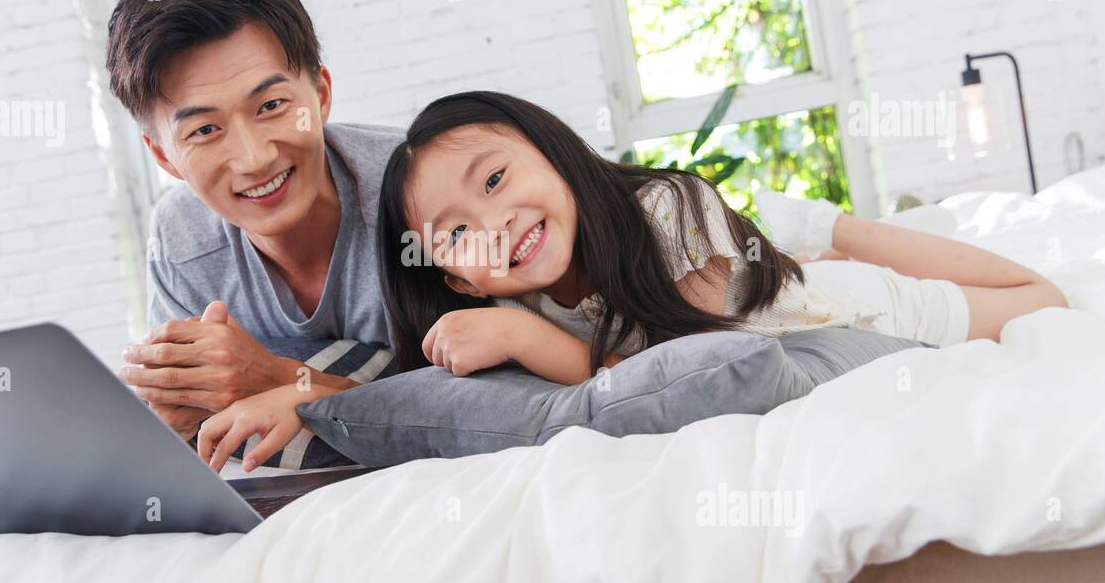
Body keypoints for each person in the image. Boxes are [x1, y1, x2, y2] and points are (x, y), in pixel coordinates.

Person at [371, 91, 1068, 384]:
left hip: (849, 310)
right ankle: (812, 245)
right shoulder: (503, 309)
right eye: (456, 233)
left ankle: (832, 226)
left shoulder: (665, 207)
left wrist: (533, 345)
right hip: (786, 308)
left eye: (494, 180)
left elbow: (696, 367)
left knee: (1044, 297)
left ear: (553, 155)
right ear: (456, 279)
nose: (494, 227)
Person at [103, 0, 401, 470]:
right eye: (203, 130)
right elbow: (190, 426)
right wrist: (170, 425)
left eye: (271, 106)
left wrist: (276, 377)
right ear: (163, 157)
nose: (254, 158)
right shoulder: (182, 239)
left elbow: (503, 408)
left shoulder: (418, 191)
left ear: (321, 94)